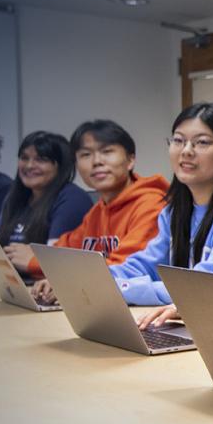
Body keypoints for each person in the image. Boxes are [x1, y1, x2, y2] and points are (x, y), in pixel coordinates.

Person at [112, 102, 213, 308]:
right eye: (178, 140)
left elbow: (202, 286)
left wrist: (123, 288)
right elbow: (146, 264)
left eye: (201, 142)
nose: (186, 151)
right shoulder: (175, 210)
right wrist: (97, 280)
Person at [29, 120, 169, 304]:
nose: (97, 162)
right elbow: (64, 252)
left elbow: (127, 267)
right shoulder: (97, 211)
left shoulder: (151, 204)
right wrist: (37, 263)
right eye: (86, 155)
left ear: (130, 159)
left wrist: (33, 263)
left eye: (107, 152)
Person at [0, 131, 92, 276]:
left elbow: (56, 260)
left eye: (41, 159)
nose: (29, 165)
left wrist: (33, 258)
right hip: (10, 281)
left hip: (44, 287)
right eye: (24, 158)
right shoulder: (15, 197)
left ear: (61, 166)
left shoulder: (72, 198)